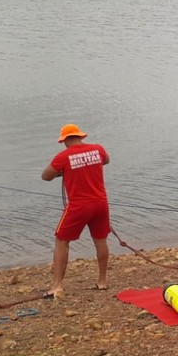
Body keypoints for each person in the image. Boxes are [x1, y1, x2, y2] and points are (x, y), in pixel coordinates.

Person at [41, 123, 111, 297]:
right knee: (101, 241)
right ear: (80, 136)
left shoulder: (63, 157)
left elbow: (46, 176)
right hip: (101, 203)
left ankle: (57, 285)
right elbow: (106, 160)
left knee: (61, 241)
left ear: (65, 140)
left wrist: (63, 171)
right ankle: (102, 281)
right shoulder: (98, 149)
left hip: (78, 206)